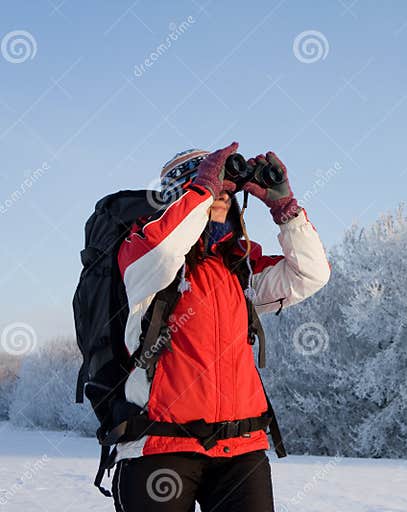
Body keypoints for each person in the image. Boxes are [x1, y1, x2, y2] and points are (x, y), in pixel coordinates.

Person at [111, 142, 331, 511]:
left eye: (227, 189)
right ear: (181, 194)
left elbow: (311, 274)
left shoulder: (238, 264)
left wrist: (285, 210)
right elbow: (166, 250)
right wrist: (204, 189)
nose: (222, 195)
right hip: (159, 445)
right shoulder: (140, 251)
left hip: (240, 449)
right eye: (213, 185)